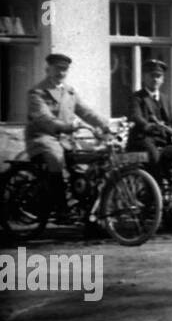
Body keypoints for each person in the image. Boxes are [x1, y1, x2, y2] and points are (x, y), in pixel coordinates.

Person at [26, 53, 111, 219]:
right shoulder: (37, 92)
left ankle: (89, 213)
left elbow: (85, 111)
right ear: (47, 69)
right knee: (56, 158)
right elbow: (44, 118)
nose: (61, 73)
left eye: (64, 70)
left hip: (66, 139)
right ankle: (60, 207)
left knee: (88, 166)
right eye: (57, 69)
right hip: (44, 138)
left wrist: (104, 124)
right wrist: (67, 126)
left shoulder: (69, 91)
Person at [127, 58, 172, 159]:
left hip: (164, 137)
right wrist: (148, 126)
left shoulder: (165, 98)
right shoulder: (136, 97)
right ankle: (161, 175)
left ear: (162, 80)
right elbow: (136, 116)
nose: (155, 79)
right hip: (144, 138)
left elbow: (171, 120)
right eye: (151, 76)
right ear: (144, 78)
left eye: (158, 76)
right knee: (156, 158)